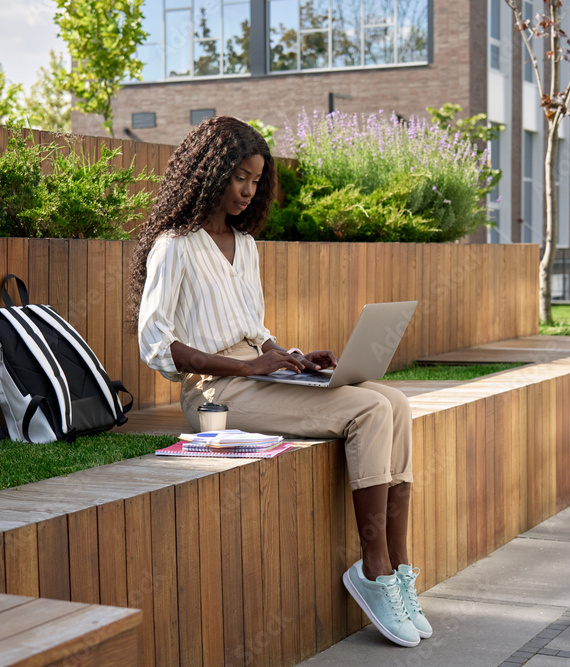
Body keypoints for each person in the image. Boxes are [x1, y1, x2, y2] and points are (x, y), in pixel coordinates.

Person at [129, 116, 431, 647]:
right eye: (240, 176)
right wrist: (247, 366)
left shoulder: (245, 246)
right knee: (370, 411)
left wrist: (287, 356)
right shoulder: (174, 245)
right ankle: (374, 567)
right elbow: (157, 343)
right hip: (214, 392)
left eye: (255, 180)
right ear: (210, 171)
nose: (248, 191)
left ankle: (401, 564)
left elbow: (254, 331)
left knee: (395, 400)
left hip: (255, 373)